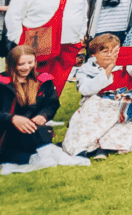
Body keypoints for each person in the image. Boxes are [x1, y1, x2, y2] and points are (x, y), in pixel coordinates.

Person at [62, 33, 132, 155]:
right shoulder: (87, 69)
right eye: (105, 52)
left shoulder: (127, 63)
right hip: (99, 103)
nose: (110, 55)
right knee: (94, 117)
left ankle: (110, 145)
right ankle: (93, 146)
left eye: (114, 51)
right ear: (94, 55)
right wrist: (108, 69)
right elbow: (85, 90)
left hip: (124, 103)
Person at [3, 0, 89, 84]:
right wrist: (20, 41)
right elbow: (14, 15)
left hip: (69, 41)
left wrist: (81, 34)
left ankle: (51, 104)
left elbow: (83, 12)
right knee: (36, 81)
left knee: (57, 84)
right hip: (41, 41)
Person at [0, 45, 81, 175]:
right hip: (5, 132)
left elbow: (52, 104)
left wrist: (43, 115)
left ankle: (39, 155)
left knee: (41, 134)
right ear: (11, 64)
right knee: (24, 157)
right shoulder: (2, 83)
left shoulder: (43, 80)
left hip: (32, 130)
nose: (26, 67)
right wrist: (12, 118)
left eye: (30, 62)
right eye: (21, 64)